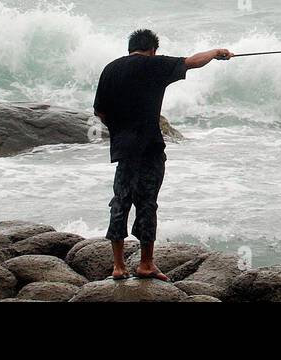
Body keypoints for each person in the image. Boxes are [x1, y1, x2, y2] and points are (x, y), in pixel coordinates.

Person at [92, 28, 231, 280]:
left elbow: (100, 112)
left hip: (123, 149)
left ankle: (118, 266)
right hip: (150, 147)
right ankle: (146, 264)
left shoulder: (110, 69)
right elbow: (191, 62)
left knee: (120, 202)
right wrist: (216, 52)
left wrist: (119, 128)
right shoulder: (154, 65)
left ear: (130, 47)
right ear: (152, 49)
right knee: (147, 204)